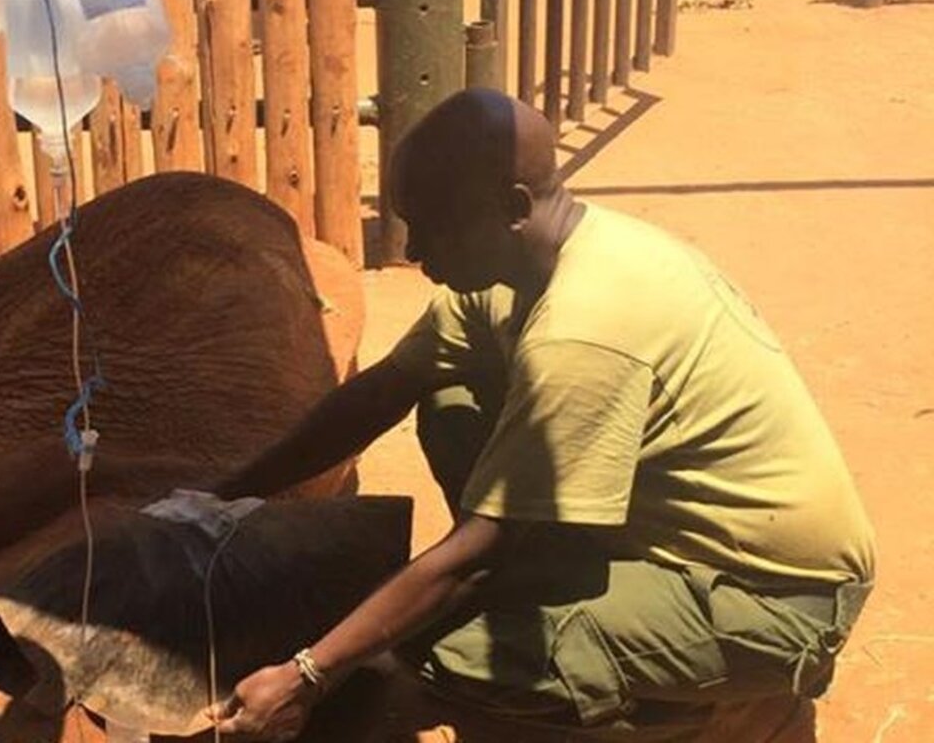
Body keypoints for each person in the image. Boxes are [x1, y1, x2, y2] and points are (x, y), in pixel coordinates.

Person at [209, 89, 875, 741]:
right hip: (682, 535)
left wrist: (308, 673)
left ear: (513, 208)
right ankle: (570, 592)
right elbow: (382, 392)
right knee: (449, 402)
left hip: (776, 597)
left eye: (432, 227)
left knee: (458, 651)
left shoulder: (585, 328)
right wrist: (224, 497)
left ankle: (711, 717)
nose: (414, 253)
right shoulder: (516, 274)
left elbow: (474, 559)